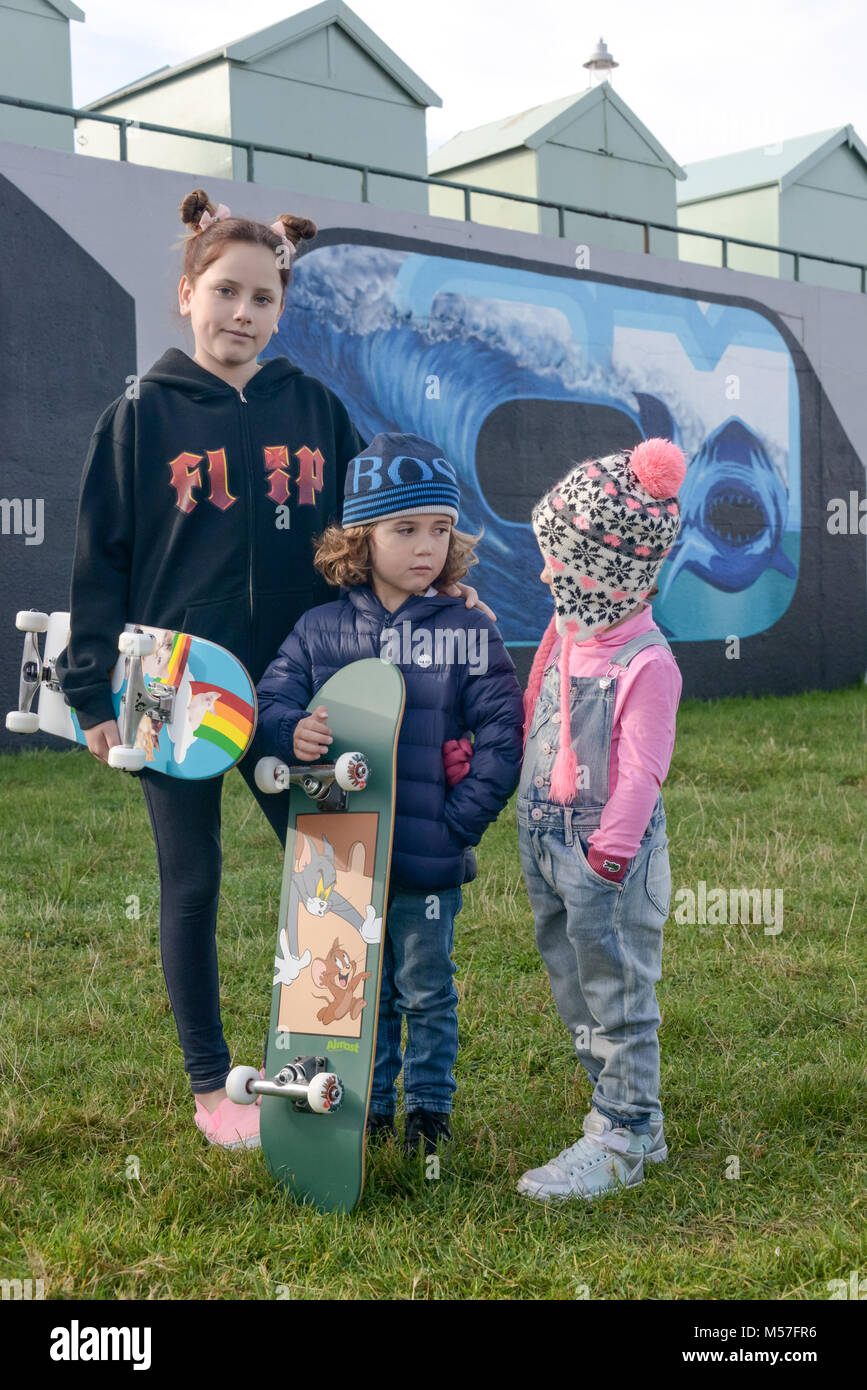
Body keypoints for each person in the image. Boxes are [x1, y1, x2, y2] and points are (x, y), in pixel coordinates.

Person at [56, 192, 488, 1150]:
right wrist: (94, 691)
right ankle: (216, 1088)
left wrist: (442, 586)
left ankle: (339, 1065)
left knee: (330, 868)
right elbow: (102, 559)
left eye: (261, 297)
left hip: (301, 687)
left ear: (281, 309)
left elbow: (374, 529)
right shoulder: (138, 415)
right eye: (224, 292)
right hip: (176, 693)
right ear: (185, 294)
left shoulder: (313, 406)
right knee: (193, 882)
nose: (241, 312)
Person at [256, 432, 525, 1154]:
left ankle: (428, 1112)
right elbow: (272, 695)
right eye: (404, 529)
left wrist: (458, 821)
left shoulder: (468, 631)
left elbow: (504, 732)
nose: (424, 547)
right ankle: (369, 1105)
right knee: (357, 990)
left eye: (439, 529)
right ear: (360, 538)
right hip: (344, 860)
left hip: (427, 858)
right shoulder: (320, 631)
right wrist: (290, 731)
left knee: (426, 986)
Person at [515, 437, 686, 1201]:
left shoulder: (645, 663)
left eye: (561, 562)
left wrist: (606, 859)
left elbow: (642, 771)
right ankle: (621, 1109)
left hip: (604, 857)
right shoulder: (565, 633)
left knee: (617, 991)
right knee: (573, 985)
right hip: (546, 837)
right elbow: (537, 714)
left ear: (605, 575)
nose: (547, 572)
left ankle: (623, 1131)